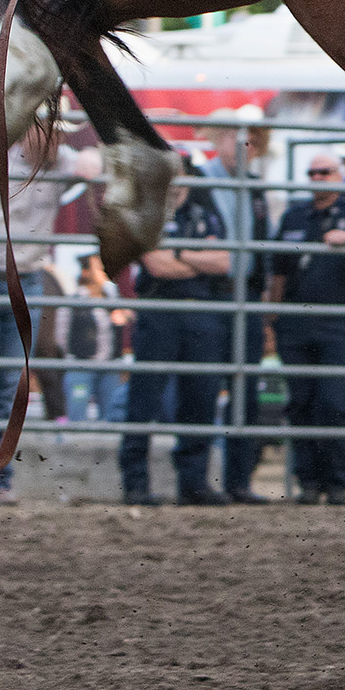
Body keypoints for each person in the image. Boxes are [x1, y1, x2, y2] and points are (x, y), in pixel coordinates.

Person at [0, 120, 103, 503]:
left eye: (59, 132)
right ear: (28, 130)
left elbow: (95, 162)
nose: (55, 139)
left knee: (7, 383)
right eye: (47, 130)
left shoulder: (60, 164)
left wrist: (91, 157)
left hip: (23, 279)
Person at [266, 152, 345, 503]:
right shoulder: (295, 214)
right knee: (301, 403)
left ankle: (336, 482)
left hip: (338, 321)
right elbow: (278, 269)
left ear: (339, 175)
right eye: (312, 172)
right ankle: (308, 482)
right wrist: (270, 316)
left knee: (335, 403)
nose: (318, 178)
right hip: (294, 321)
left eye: (325, 172)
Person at [120, 162, 233, 506]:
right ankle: (136, 483)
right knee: (145, 397)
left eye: (181, 177)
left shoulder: (204, 213)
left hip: (200, 312)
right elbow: (156, 265)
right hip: (160, 310)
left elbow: (224, 262)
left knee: (201, 396)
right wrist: (197, 257)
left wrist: (179, 255)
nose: (175, 185)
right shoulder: (149, 213)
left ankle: (194, 482)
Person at [199, 111, 272, 504]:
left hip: (246, 294)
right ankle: (196, 480)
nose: (244, 147)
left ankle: (238, 480)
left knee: (245, 392)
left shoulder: (256, 190)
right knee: (204, 387)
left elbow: (265, 247)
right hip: (210, 293)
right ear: (219, 139)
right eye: (237, 138)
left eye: (252, 141)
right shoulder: (197, 180)